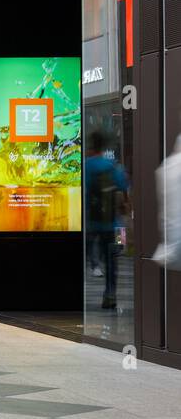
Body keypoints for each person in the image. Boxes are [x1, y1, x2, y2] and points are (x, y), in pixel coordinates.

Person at [85, 129, 130, 310]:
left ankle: (94, 264)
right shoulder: (113, 166)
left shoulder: (87, 166)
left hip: (93, 222)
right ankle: (110, 294)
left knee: (93, 245)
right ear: (104, 146)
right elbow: (123, 187)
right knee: (113, 259)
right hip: (113, 223)